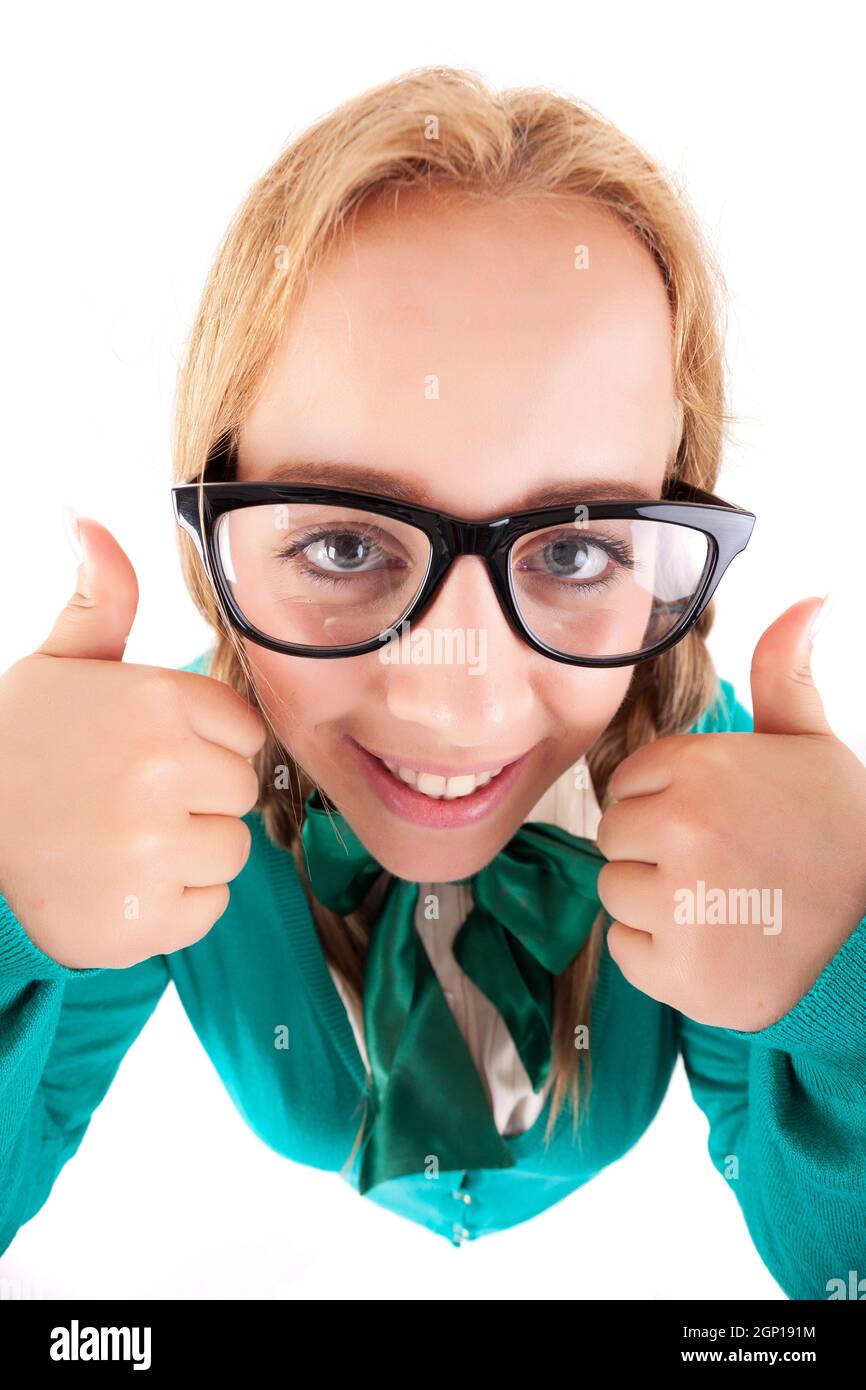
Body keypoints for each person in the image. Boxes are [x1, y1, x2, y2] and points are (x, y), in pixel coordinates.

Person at [1, 66, 864, 1299]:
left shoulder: (734, 818)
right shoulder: (135, 800)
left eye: (574, 550)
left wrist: (852, 977)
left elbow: (829, 1268)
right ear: (210, 529)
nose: (461, 703)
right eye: (344, 546)